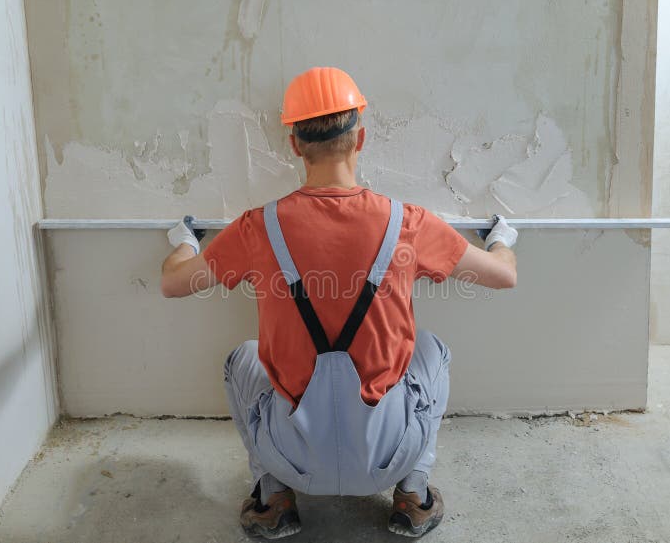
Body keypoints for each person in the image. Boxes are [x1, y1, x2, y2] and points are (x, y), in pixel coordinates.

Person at [160, 67, 518, 539]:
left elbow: (174, 283)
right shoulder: (406, 222)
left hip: (291, 454)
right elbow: (503, 276)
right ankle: (413, 495)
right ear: (361, 138)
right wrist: (502, 238)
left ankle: (274, 500)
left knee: (241, 358)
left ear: (295, 145)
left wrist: (184, 240)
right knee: (432, 350)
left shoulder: (258, 227)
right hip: (389, 451)